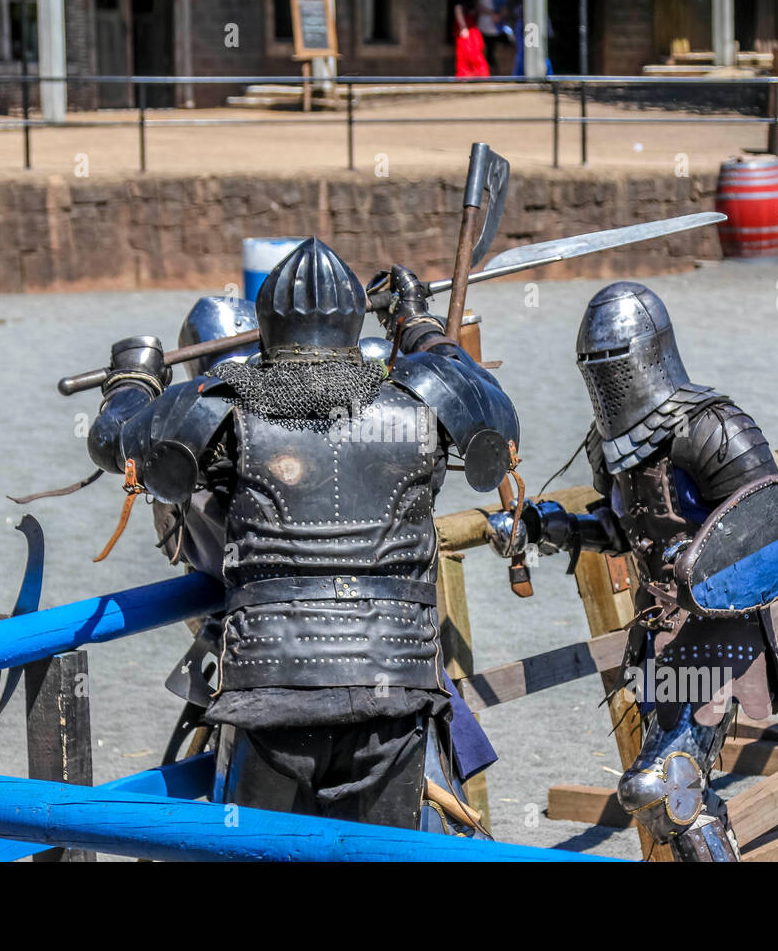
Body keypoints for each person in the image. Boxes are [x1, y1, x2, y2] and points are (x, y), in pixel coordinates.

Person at [86, 238, 518, 831]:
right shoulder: (419, 396)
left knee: (260, 853)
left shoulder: (220, 404)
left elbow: (113, 442)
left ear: (265, 325)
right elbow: (496, 413)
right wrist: (416, 323)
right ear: (352, 322)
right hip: (393, 683)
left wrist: (133, 378)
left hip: (272, 682)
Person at [488, 281, 778, 861]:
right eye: (595, 365)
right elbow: (626, 532)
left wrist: (696, 561)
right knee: (676, 794)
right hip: (659, 637)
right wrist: (550, 527)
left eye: (614, 362)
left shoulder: (713, 427)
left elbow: (774, 529)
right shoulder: (612, 447)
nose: (607, 377)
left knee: (659, 788)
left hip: (720, 628)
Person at [454, 2, 490, 79]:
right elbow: (458, 8)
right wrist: (463, 27)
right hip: (466, 29)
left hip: (472, 26)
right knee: (467, 53)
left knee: (475, 50)